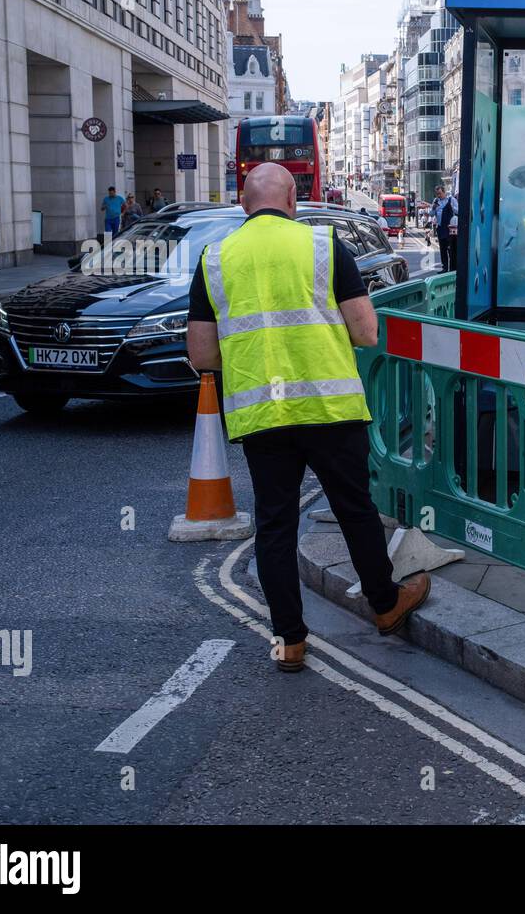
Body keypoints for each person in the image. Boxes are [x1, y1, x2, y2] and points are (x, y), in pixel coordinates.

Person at [186, 163, 430, 673]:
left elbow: (203, 354)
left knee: (275, 526)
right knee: (354, 509)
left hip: (262, 417)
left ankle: (289, 641)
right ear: (293, 200)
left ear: (242, 201)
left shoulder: (214, 259)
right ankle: (386, 606)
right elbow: (366, 333)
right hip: (329, 406)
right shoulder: (323, 246)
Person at [432, 185, 459, 274]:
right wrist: (433, 208)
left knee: (451, 249)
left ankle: (452, 268)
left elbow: (458, 211)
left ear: (444, 192)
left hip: (450, 229)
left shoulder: (451, 200)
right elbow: (431, 214)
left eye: (439, 193)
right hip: (440, 228)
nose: (438, 195)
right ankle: (445, 268)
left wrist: (452, 207)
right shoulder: (436, 201)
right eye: (437, 194)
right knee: (442, 249)